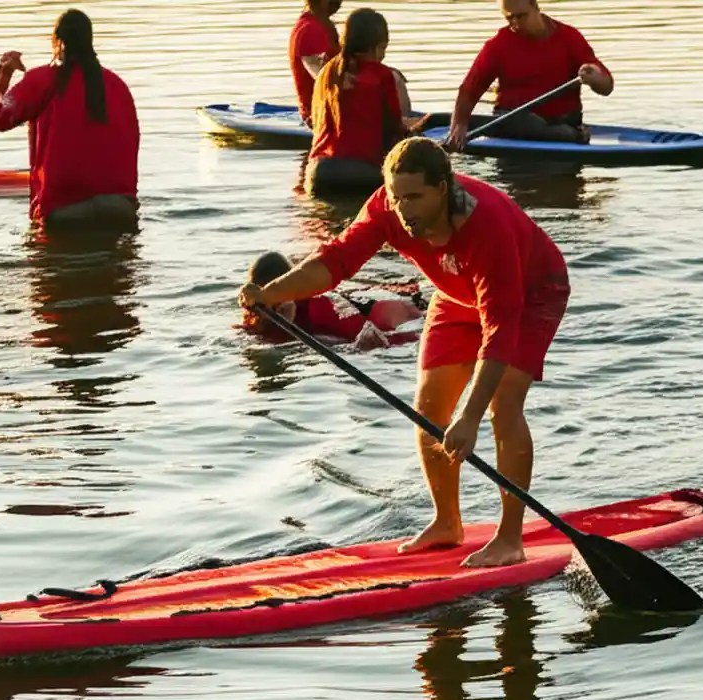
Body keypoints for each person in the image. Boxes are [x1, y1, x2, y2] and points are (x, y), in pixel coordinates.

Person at [238, 137, 571, 568]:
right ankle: (447, 523)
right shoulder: (385, 208)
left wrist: (469, 418)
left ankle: (510, 539)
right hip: (456, 296)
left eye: (415, 197)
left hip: (532, 294)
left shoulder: (486, 226)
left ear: (444, 188)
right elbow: (335, 262)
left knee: (502, 407)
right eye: (397, 197)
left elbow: (501, 333)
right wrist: (269, 292)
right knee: (430, 410)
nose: (404, 209)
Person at [0, 9, 139, 225]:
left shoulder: (42, 81)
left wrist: (2, 80)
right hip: (119, 207)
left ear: (57, 42)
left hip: (64, 209)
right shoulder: (118, 86)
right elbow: (132, 142)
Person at [444, 0, 612, 148]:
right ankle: (567, 136)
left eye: (521, 16)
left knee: (531, 124)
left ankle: (566, 134)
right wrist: (459, 124)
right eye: (510, 18)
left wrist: (595, 77)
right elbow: (469, 89)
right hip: (513, 120)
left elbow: (607, 87)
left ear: (535, 6)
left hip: (563, 120)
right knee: (520, 122)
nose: (516, 23)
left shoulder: (569, 37)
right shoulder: (498, 45)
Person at [305, 8, 419, 195]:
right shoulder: (382, 75)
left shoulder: (326, 72)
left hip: (318, 172)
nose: (383, 56)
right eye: (383, 48)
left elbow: (317, 121)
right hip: (362, 173)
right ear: (373, 47)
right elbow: (392, 131)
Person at [241, 251, 423, 350]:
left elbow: (372, 341)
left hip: (393, 312)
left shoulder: (319, 307)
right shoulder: (257, 312)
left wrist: (289, 326)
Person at [288, 0, 342, 127]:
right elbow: (325, 81)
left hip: (328, 112)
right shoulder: (310, 31)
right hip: (320, 117)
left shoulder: (319, 25)